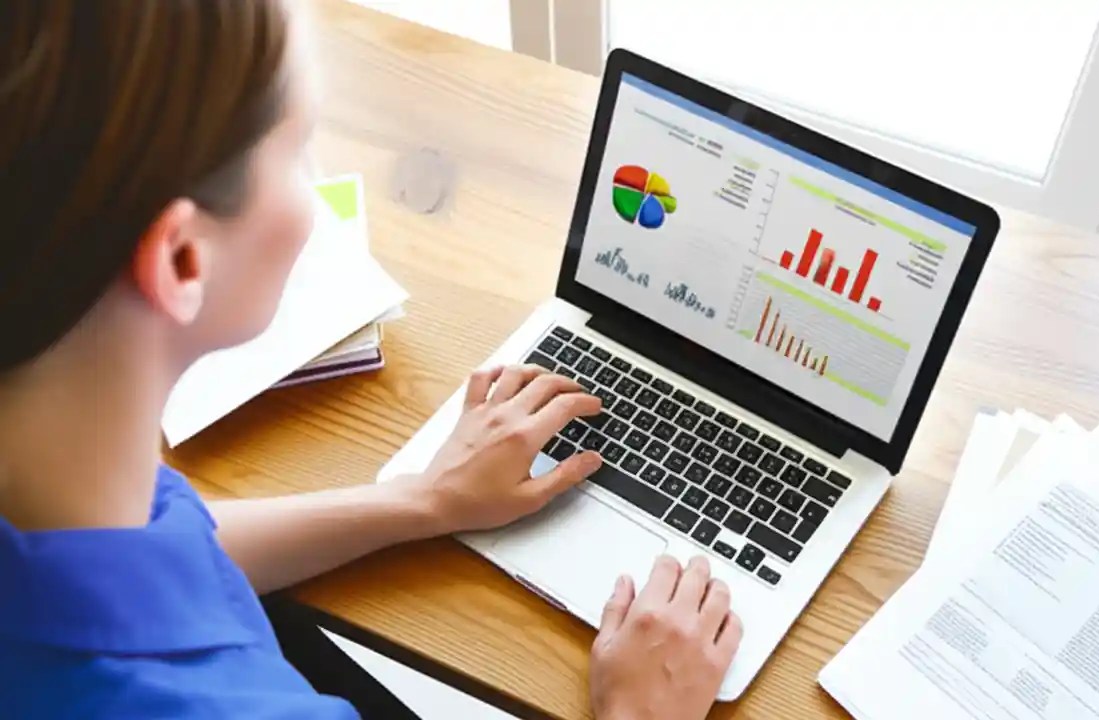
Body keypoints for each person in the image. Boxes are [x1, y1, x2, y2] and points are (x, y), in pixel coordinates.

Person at [0, 2, 742, 718]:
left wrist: (423, 501)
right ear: (183, 260)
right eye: (296, 154)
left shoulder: (61, 480)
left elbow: (151, 553)